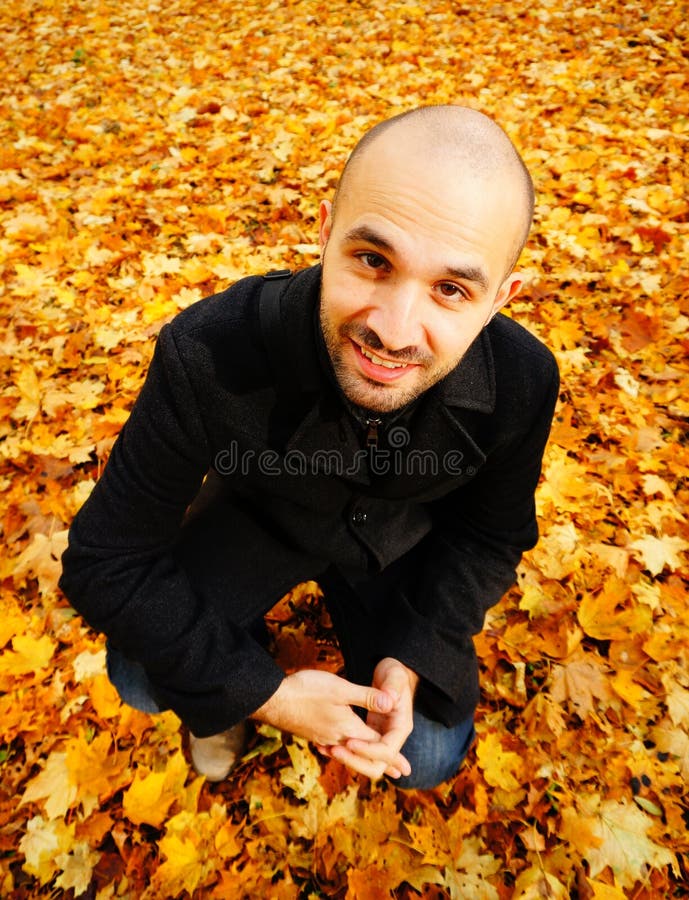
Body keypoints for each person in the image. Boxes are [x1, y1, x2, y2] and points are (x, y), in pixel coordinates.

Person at [59, 105, 559, 790]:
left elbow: (490, 536)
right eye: (372, 260)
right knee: (142, 674)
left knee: (428, 756)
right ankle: (222, 700)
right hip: (256, 519)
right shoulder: (209, 349)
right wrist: (258, 691)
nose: (394, 330)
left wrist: (416, 653)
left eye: (450, 289)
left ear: (501, 297)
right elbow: (106, 558)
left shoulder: (522, 381)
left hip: (400, 545)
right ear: (325, 233)